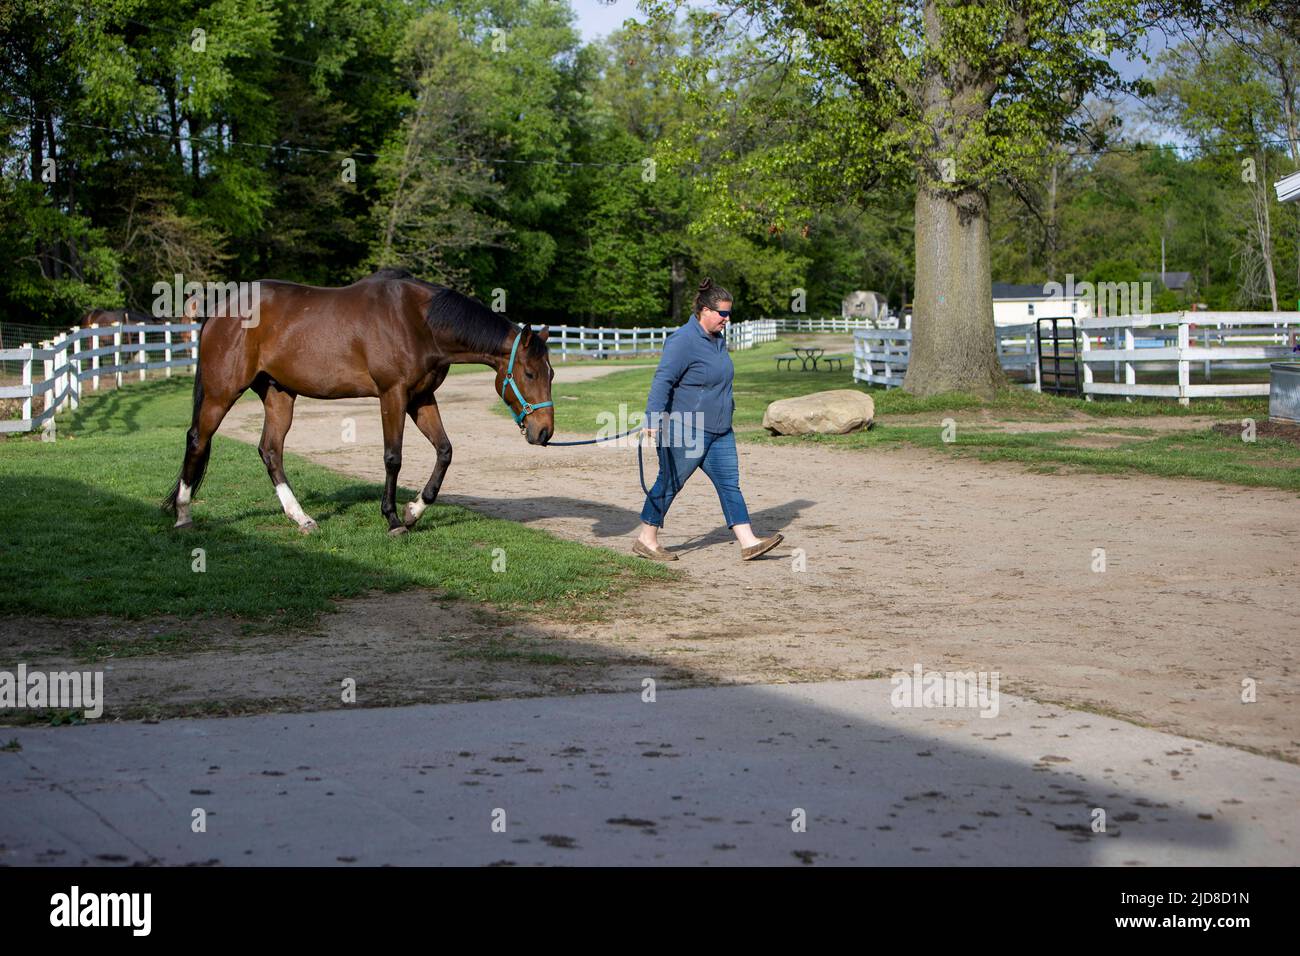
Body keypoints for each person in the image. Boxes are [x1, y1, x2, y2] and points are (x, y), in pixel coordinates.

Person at [632, 278, 784, 562]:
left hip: (720, 429)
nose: (727, 319)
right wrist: (652, 418)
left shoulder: (718, 340)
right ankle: (646, 538)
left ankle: (748, 541)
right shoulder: (683, 341)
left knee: (730, 484)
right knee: (669, 483)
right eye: (722, 314)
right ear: (704, 310)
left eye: (728, 313)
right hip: (686, 429)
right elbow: (662, 380)